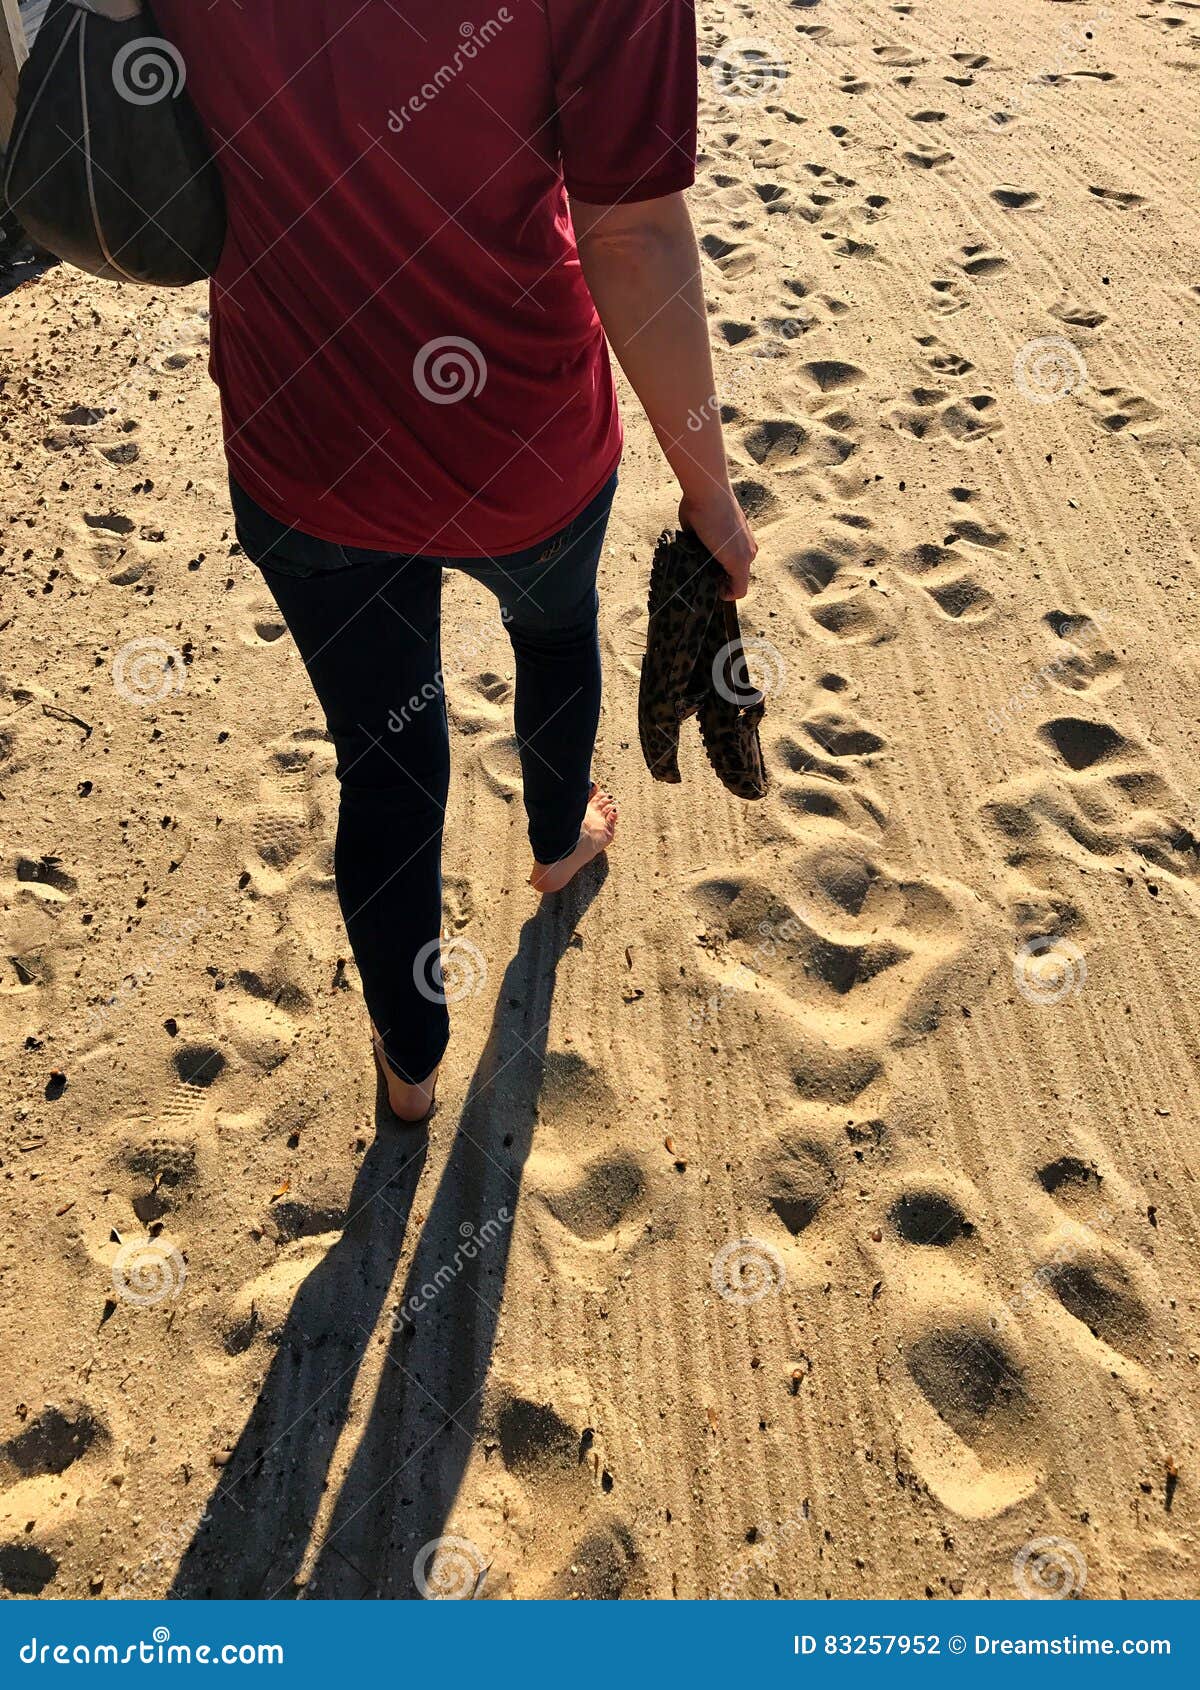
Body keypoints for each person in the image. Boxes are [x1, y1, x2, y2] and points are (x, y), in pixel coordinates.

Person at [151, 0, 757, 1122]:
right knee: (554, 633)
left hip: (303, 432)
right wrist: (710, 489)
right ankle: (558, 836)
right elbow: (631, 230)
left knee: (385, 767)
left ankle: (411, 1065)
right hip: (522, 439)